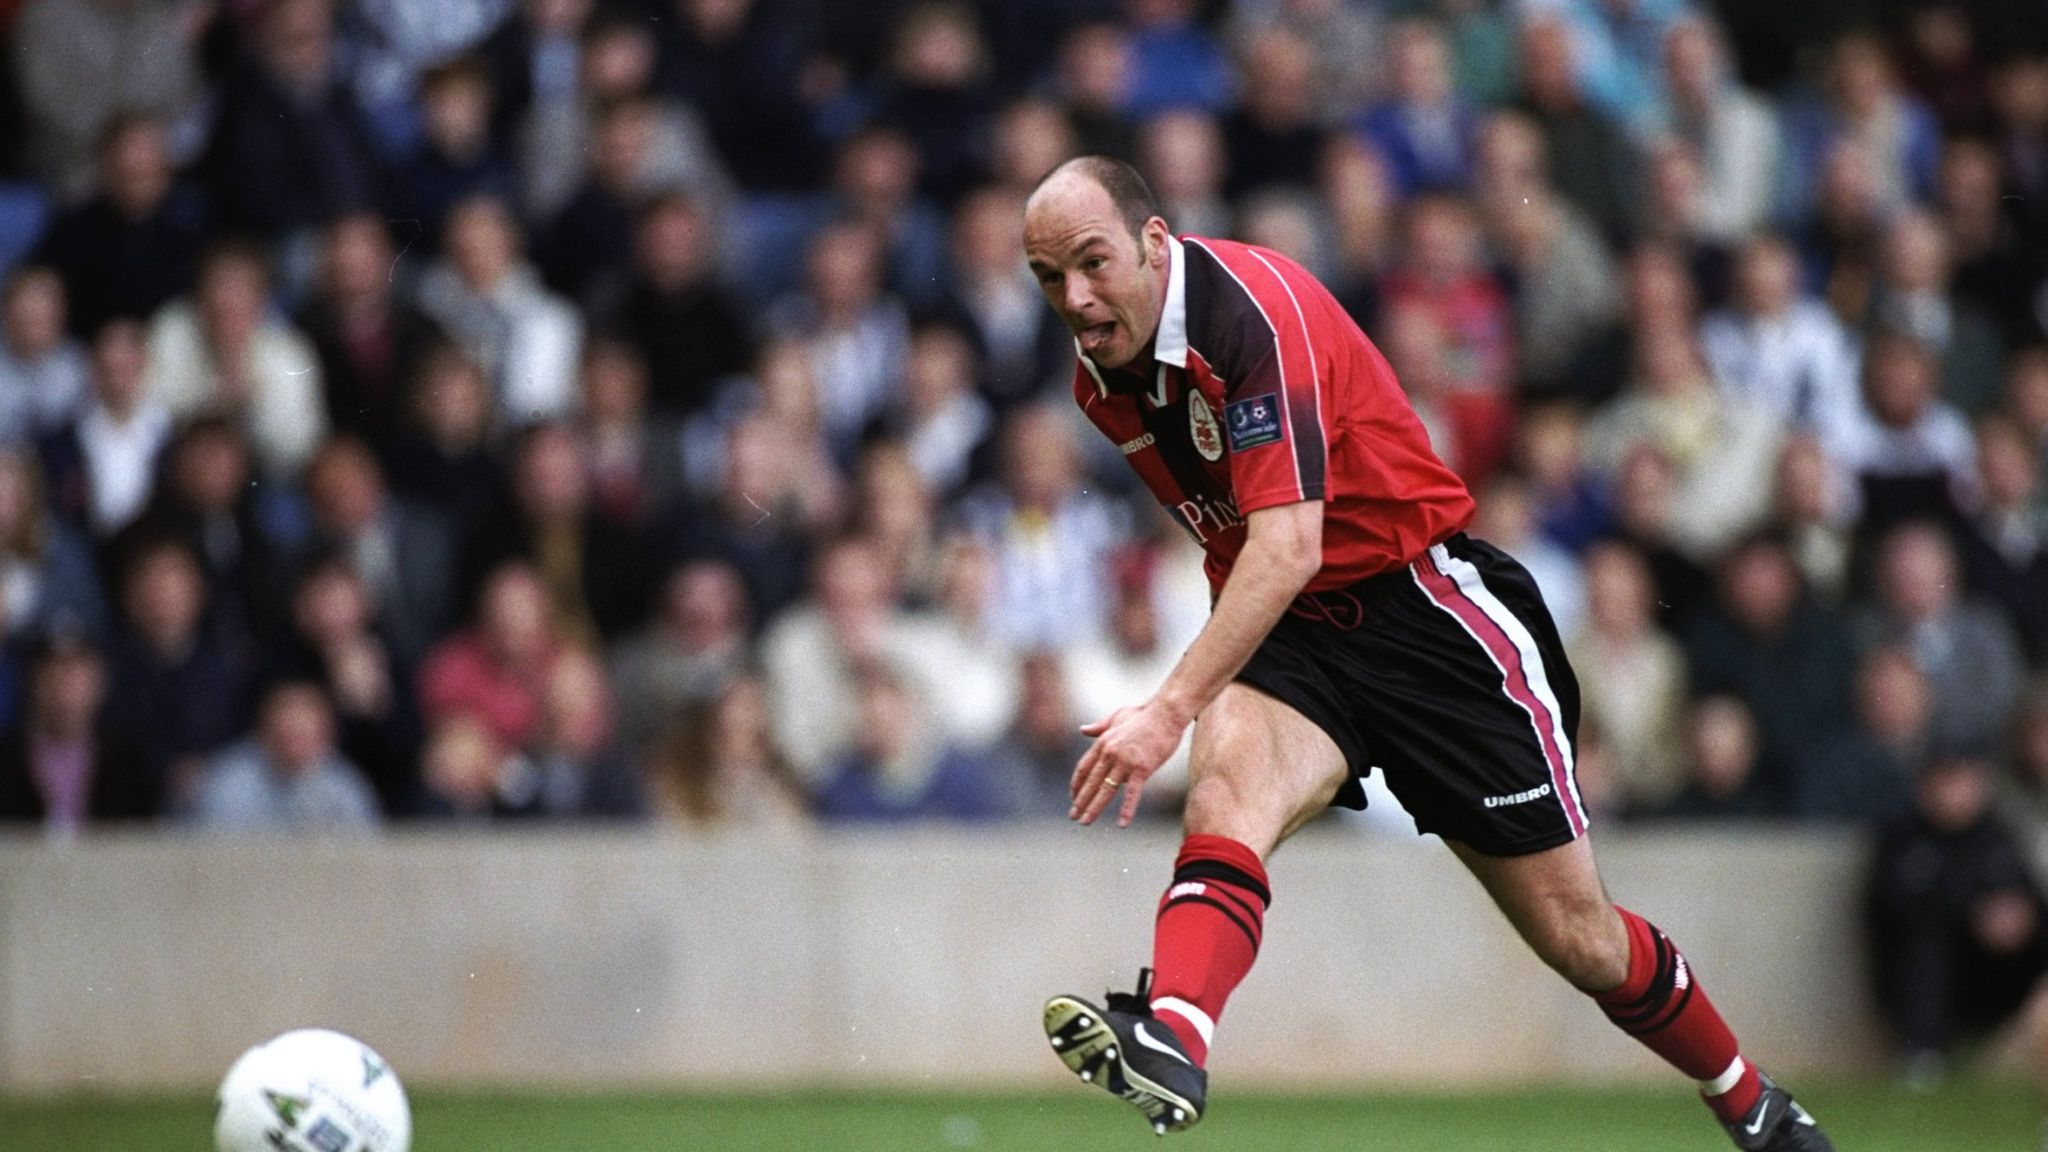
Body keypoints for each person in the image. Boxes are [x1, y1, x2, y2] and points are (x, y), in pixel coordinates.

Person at [1019, 156, 1832, 1150]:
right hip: (1294, 625)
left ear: (1153, 244)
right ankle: (1176, 1031)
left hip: (1429, 618)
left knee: (1576, 939)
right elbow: (1237, 543)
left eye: (1090, 263)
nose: (1074, 297)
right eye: (1048, 278)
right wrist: (1209, 698)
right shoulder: (1101, 376)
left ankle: (1752, 1105)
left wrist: (1166, 706)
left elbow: (1287, 541)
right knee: (1226, 793)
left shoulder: (1248, 314)